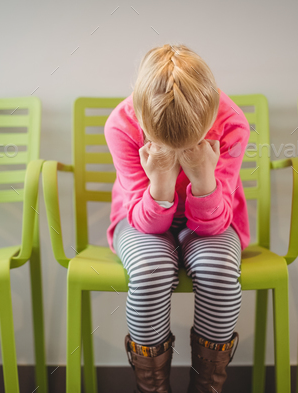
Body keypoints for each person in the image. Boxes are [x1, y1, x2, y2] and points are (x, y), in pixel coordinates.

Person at [104, 44, 250, 393]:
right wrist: (161, 181)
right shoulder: (121, 126)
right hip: (141, 216)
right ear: (141, 114)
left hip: (213, 217)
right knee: (149, 269)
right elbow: (145, 223)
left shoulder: (232, 124)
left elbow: (214, 225)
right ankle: (152, 387)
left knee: (221, 270)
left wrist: (202, 177)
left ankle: (207, 387)